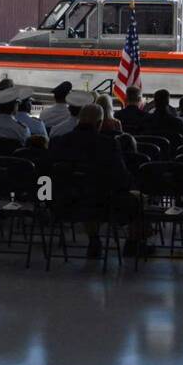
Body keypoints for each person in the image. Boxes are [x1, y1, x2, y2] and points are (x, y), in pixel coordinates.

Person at [49, 102, 133, 259]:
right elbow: (120, 178)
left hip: (64, 203)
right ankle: (133, 245)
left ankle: (94, 239)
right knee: (135, 200)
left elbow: (45, 174)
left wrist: (45, 199)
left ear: (79, 120)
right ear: (100, 124)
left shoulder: (58, 142)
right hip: (101, 204)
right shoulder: (108, 145)